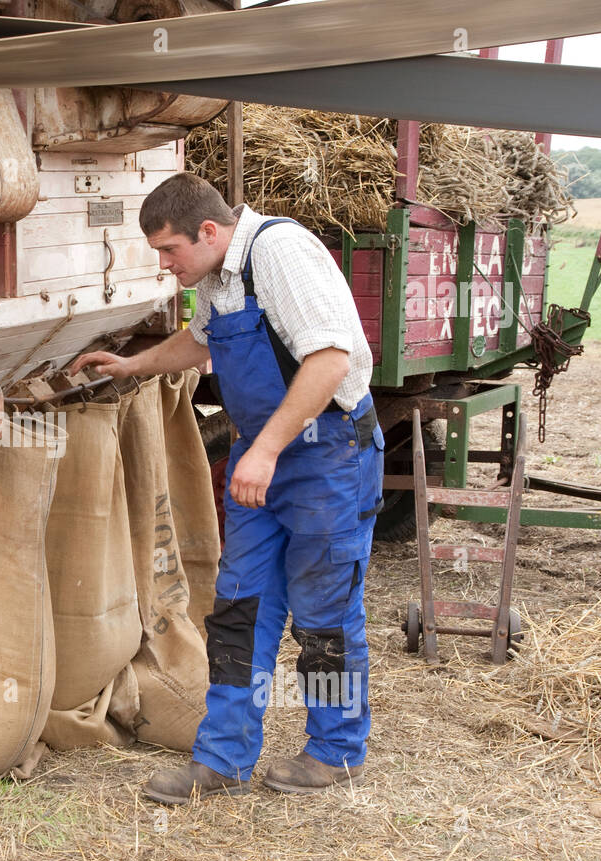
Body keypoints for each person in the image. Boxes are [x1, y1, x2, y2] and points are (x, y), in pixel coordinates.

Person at [68, 172, 384, 803]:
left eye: (169, 251)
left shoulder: (279, 254)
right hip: (261, 460)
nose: (165, 265)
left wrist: (264, 451)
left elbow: (330, 359)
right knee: (238, 610)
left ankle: (336, 751)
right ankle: (224, 758)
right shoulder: (217, 276)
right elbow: (201, 341)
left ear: (208, 232)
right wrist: (133, 364)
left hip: (328, 458)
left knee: (323, 615)